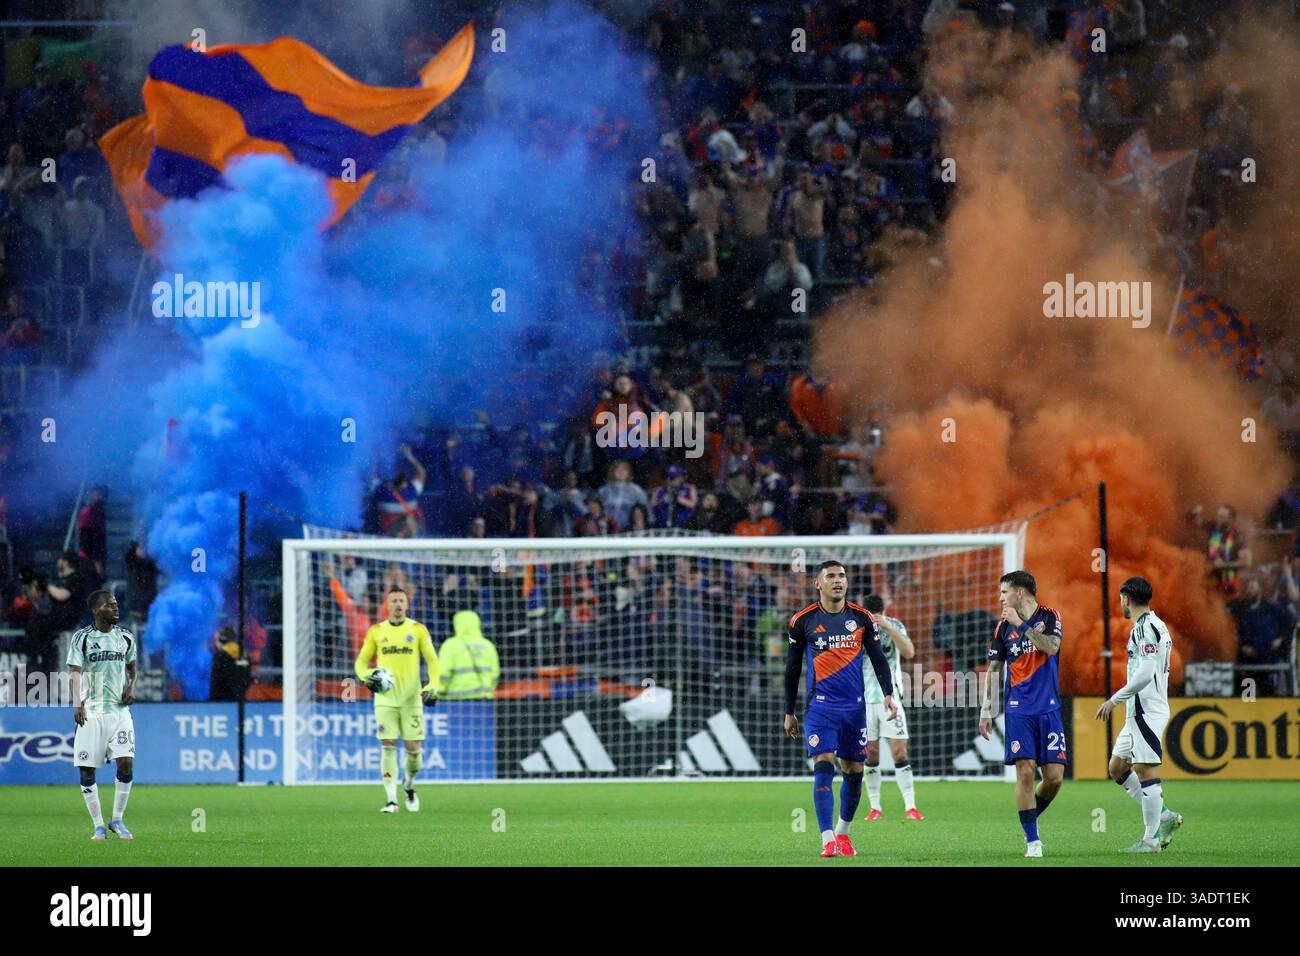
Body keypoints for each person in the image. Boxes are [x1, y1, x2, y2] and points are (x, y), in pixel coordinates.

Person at [783, 560, 896, 858]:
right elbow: (792, 668)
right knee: (823, 763)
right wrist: (789, 711)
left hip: (855, 708)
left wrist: (888, 694)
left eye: (842, 576)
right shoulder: (802, 620)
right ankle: (827, 837)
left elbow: (878, 658)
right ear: (817, 583)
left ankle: (843, 833)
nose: (838, 581)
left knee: (854, 771)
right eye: (831, 576)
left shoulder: (862, 618)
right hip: (821, 707)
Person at [978, 570, 1065, 859]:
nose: (1000, 598)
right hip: (1019, 710)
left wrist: (1022, 625)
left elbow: (1051, 648)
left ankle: (1028, 816)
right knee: (1025, 771)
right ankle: (1033, 841)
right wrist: (987, 710)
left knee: (1054, 778)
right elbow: (993, 670)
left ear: (1019, 593)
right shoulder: (1002, 628)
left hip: (1049, 709)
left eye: (1004, 592)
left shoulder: (1050, 616)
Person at [1095, 576, 1183, 853]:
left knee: (1145, 769)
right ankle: (1165, 817)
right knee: (1117, 768)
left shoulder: (1145, 628)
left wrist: (1114, 700)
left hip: (1146, 709)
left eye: (1120, 598)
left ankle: (1151, 840)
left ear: (1126, 599)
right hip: (1139, 710)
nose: (1119, 603)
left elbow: (1145, 673)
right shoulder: (1157, 625)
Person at [353, 588, 440, 813]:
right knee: (387, 745)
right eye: (394, 601)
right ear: (387, 605)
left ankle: (409, 785)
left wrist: (433, 684)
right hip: (385, 699)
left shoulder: (418, 630)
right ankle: (391, 800)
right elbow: (361, 663)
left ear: (407, 605)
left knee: (414, 752)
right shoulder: (376, 631)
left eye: (402, 600)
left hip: (411, 699)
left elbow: (432, 660)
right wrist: (365, 678)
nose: (398, 604)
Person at [69, 590, 138, 841]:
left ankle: (117, 820)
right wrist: (78, 704)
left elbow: (132, 669)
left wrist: (131, 688)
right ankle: (98, 824)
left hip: (119, 712)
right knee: (87, 771)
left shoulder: (126, 637)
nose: (116, 608)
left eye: (116, 604)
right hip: (92, 712)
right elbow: (75, 672)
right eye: (110, 605)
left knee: (126, 763)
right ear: (97, 610)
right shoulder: (83, 639)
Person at [861, 594, 922, 821]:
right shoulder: (856, 627)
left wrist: (887, 626)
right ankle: (875, 807)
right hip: (864, 700)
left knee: (899, 751)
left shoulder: (894, 625)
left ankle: (910, 806)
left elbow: (909, 652)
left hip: (891, 698)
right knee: (871, 753)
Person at [435, 610, 500, 701]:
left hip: (454, 700)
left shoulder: (450, 645)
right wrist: (488, 690)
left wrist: (439, 692)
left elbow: (443, 673)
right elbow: (495, 674)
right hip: (483, 700)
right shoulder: (488, 645)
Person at [208, 625, 250, 701]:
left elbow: (215, 681)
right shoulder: (243, 653)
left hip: (223, 701)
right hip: (239, 699)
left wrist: (212, 700)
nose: (216, 643)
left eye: (216, 639)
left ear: (222, 639)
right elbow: (246, 679)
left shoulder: (220, 655)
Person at [77, 486, 108, 578]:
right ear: (92, 495)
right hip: (89, 561)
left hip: (94, 559)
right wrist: (97, 562)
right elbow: (86, 540)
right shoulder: (88, 512)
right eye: (98, 495)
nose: (101, 498)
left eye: (103, 496)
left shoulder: (99, 513)